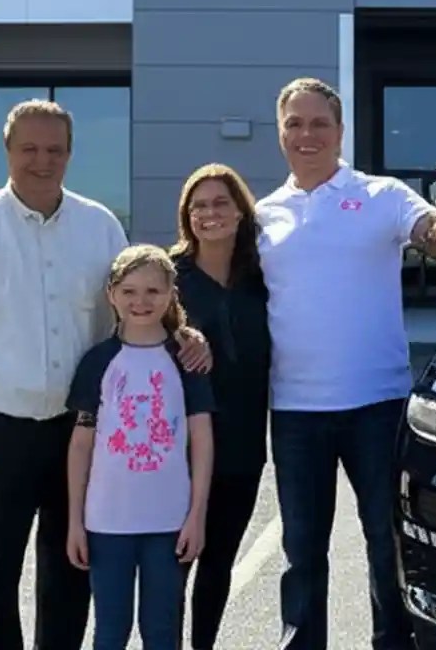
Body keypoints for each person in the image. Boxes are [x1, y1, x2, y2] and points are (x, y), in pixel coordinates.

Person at [0, 98, 211, 650]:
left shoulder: (99, 226)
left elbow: (137, 296)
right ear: (8, 151)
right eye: (29, 149)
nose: (42, 161)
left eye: (55, 150)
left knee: (70, 573)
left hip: (82, 434)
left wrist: (182, 331)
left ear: (69, 154)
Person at [255, 77, 436, 650]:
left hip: (376, 404)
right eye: (295, 124)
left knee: (387, 538)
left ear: (340, 130)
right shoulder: (263, 215)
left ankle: (393, 642)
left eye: (319, 123)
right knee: (302, 546)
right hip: (296, 408)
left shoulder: (383, 196)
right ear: (281, 133)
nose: (308, 135)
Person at [65, 244, 216, 650]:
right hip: (106, 524)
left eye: (153, 290)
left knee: (163, 633)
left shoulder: (185, 359)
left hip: (169, 522)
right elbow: (81, 446)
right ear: (111, 295)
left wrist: (196, 515)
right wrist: (75, 521)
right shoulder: (98, 361)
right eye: (129, 291)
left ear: (170, 294)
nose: (141, 301)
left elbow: (201, 440)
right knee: (110, 633)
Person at [169, 163, 272, 649]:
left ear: (240, 210)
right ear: (187, 217)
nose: (210, 214)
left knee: (218, 562)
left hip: (244, 446)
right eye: (199, 206)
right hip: (177, 448)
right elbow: (130, 330)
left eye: (220, 203)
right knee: (174, 560)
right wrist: (179, 333)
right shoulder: (169, 277)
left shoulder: (264, 277)